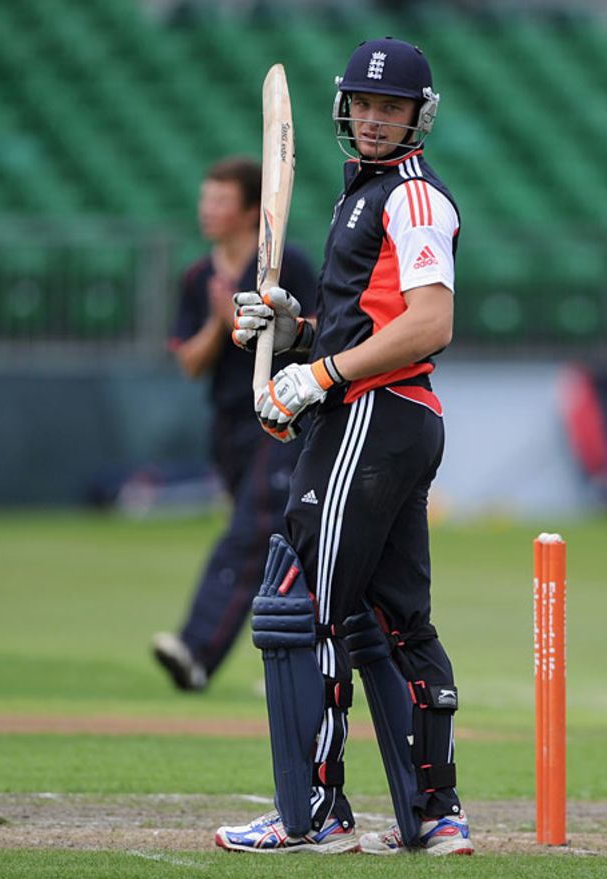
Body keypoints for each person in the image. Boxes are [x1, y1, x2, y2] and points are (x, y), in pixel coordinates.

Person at [213, 37, 471, 856]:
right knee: (393, 620)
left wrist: (318, 375)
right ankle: (434, 815)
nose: (371, 118)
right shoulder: (360, 198)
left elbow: (429, 324)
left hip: (373, 414)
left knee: (302, 605)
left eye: (389, 107)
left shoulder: (414, 198)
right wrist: (293, 331)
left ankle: (312, 814)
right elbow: (369, 323)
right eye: (362, 103)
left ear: (417, 117)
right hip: (385, 415)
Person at [153, 156, 316, 692]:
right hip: (227, 422)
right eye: (206, 200)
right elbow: (190, 362)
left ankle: (196, 651)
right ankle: (318, 647)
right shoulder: (198, 276)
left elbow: (321, 327)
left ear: (252, 211)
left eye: (221, 201)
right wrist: (220, 324)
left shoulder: (285, 265)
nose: (208, 211)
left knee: (251, 531)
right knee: (287, 538)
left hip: (280, 419)